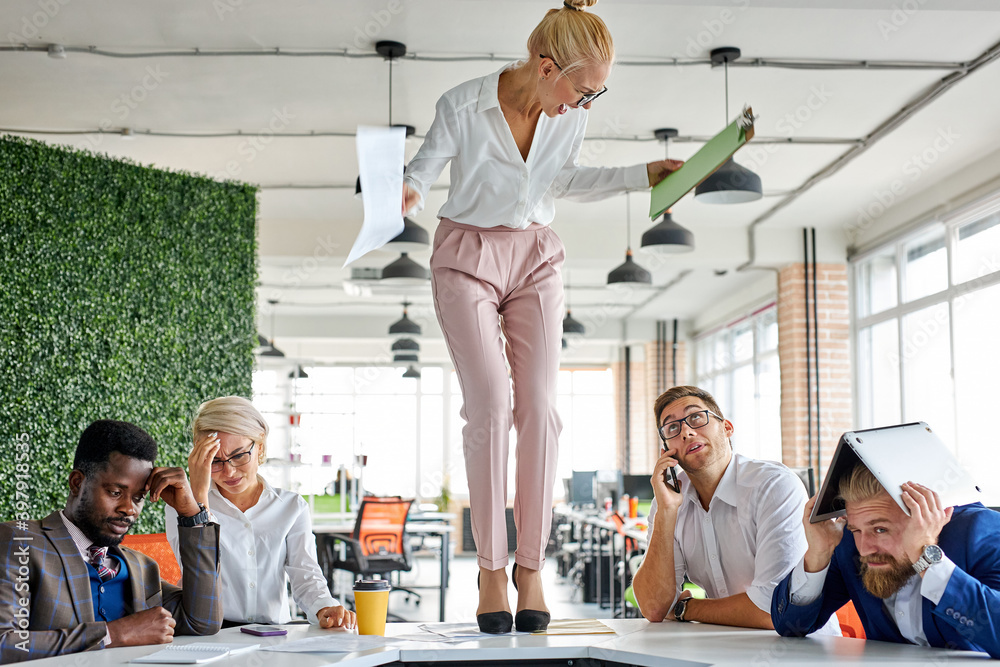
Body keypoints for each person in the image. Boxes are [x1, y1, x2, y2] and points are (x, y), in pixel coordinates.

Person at [401, 0, 681, 634]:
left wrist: (643, 174)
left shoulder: (565, 117)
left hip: (535, 257)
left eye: (594, 96)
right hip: (467, 253)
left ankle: (531, 567)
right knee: (492, 405)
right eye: (582, 92)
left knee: (540, 407)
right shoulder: (463, 105)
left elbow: (564, 179)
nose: (583, 105)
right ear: (547, 65)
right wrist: (407, 191)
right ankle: (492, 570)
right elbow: (420, 171)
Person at [0, 420, 222, 663]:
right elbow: (5, 643)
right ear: (77, 483)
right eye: (115, 493)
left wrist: (191, 516)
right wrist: (114, 633)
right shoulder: (20, 541)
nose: (129, 509)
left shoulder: (142, 567)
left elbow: (203, 622)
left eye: (138, 497)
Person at [631, 386, 839, 633]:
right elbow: (654, 607)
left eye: (696, 417)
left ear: (726, 428)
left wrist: (684, 609)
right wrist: (665, 512)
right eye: (672, 428)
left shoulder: (773, 486)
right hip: (728, 644)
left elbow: (773, 609)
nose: (686, 431)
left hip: (803, 648)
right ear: (667, 451)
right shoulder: (670, 500)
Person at [771, 463, 1000, 658]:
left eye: (880, 529)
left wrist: (926, 557)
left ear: (927, 516)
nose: (865, 549)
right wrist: (818, 554)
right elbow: (790, 626)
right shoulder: (848, 544)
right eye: (856, 529)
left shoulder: (983, 534)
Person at [165, 396, 355, 630]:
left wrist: (324, 606)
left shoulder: (291, 507)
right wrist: (199, 496)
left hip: (273, 633)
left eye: (238, 455)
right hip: (208, 631)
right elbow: (198, 571)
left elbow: (305, 573)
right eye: (214, 460)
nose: (229, 471)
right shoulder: (183, 505)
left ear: (260, 447)